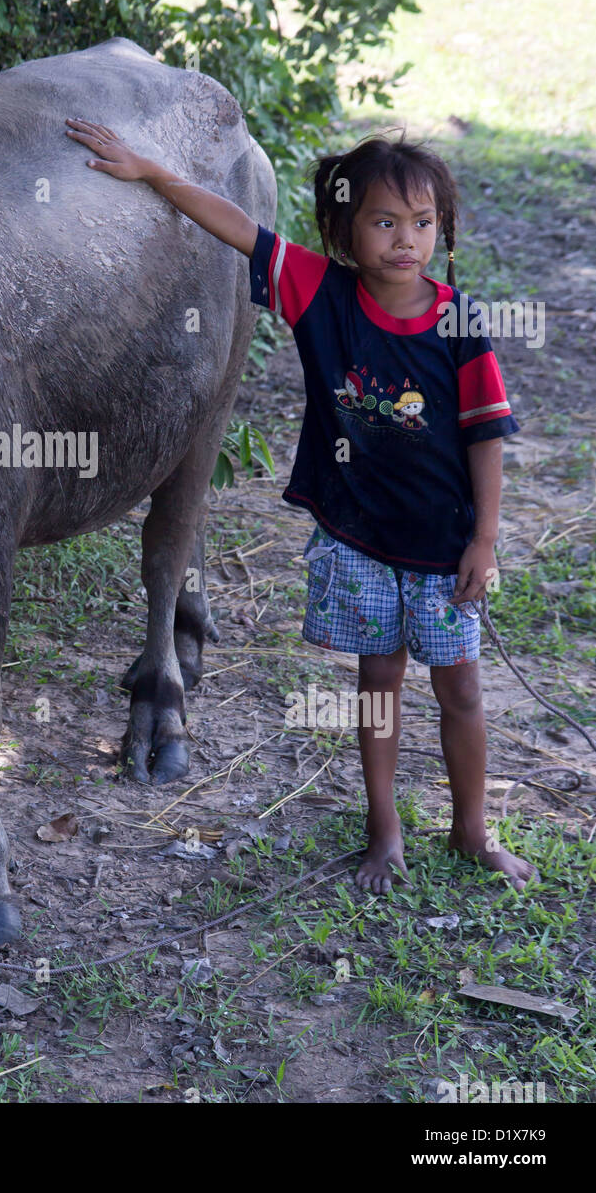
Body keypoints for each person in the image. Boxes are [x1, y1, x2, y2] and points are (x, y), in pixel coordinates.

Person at [65, 116, 537, 893]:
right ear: (344, 229)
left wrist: (484, 540)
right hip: (357, 538)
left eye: (421, 223)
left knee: (461, 688)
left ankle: (468, 830)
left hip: (443, 545)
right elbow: (238, 230)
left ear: (440, 230)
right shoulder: (320, 292)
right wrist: (152, 170)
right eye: (383, 222)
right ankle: (383, 830)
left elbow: (487, 437)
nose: (404, 240)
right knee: (377, 680)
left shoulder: (460, 320)